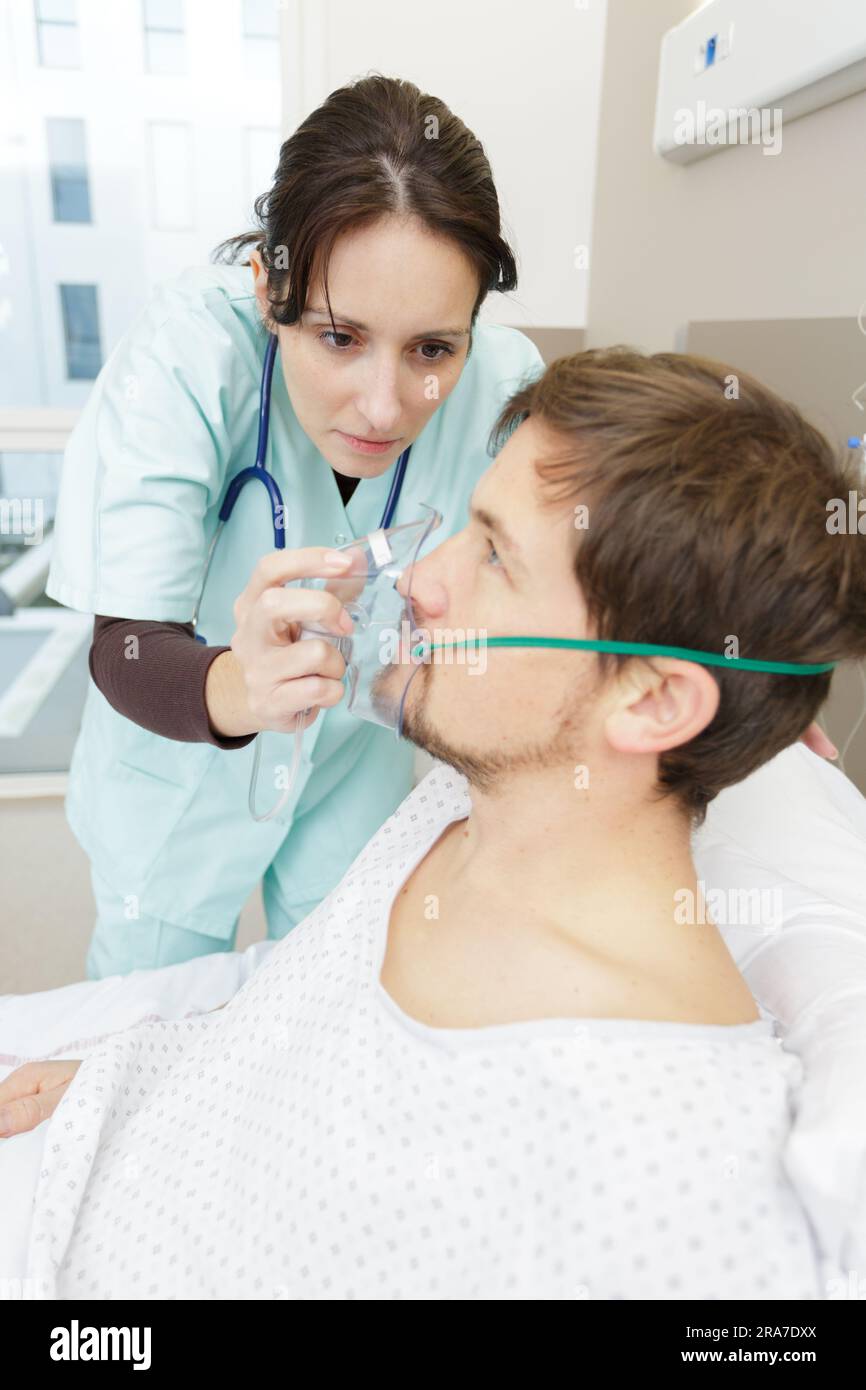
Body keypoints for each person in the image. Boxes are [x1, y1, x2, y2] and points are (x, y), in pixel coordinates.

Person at [4, 347, 866, 1299]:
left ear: (657, 703)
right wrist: (136, 1078)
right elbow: (300, 1035)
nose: (418, 580)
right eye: (464, 527)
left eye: (494, 555)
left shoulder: (671, 1167)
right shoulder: (462, 803)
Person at [45, 74, 544, 979]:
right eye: (338, 337)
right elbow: (121, 646)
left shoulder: (508, 386)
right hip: (175, 770)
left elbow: (587, 564)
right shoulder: (189, 355)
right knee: (144, 1020)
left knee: (333, 1000)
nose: (385, 406)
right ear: (267, 285)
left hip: (355, 766)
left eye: (433, 349)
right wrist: (241, 687)